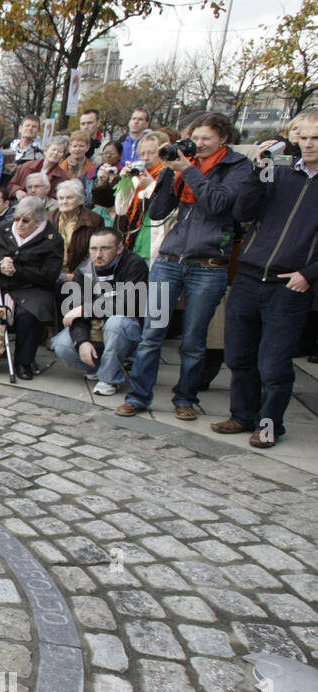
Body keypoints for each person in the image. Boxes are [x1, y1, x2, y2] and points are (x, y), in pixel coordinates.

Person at [117, 112, 253, 421]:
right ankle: (138, 395)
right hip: (169, 259)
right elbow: (159, 212)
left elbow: (219, 204)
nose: (200, 144)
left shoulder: (236, 166)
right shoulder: (181, 164)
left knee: (194, 339)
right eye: (195, 137)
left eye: (207, 138)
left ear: (223, 138)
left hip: (208, 263)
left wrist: (188, 170)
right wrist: (168, 172)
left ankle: (185, 398)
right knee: (152, 333)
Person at [213, 109, 318, 448]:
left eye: (316, 138)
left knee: (273, 363)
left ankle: (270, 425)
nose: (309, 144)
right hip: (250, 273)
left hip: (289, 283)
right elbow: (244, 212)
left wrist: (308, 274)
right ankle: (242, 415)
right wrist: (258, 170)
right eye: (303, 137)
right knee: (238, 355)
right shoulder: (280, 170)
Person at [49, 226, 149, 394]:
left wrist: (85, 309)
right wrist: (82, 342)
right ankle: (101, 368)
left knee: (116, 323)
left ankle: (109, 379)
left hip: (129, 329)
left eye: (105, 248)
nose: (98, 254)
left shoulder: (134, 264)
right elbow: (76, 312)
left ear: (119, 248)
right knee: (61, 344)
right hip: (95, 329)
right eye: (94, 249)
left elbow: (128, 303)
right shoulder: (84, 270)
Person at [0, 195, 64, 379]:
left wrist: (17, 270)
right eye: (17, 219)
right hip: (2, 285)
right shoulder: (2, 229)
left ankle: (23, 361)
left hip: (33, 287)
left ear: (39, 221)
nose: (20, 224)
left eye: (26, 220)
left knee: (29, 315)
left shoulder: (52, 239)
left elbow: (49, 275)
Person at [111, 131, 169, 261]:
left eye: (151, 153)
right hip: (134, 241)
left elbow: (166, 205)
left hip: (154, 244)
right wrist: (125, 182)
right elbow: (121, 209)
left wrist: (151, 186)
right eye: (142, 154)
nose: (146, 158)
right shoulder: (138, 176)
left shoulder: (170, 175)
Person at [49, 179, 104, 278]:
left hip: (81, 275)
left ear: (80, 200)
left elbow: (94, 252)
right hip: (52, 274)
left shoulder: (94, 220)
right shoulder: (49, 218)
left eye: (69, 198)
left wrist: (76, 275)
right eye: (61, 198)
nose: (64, 202)